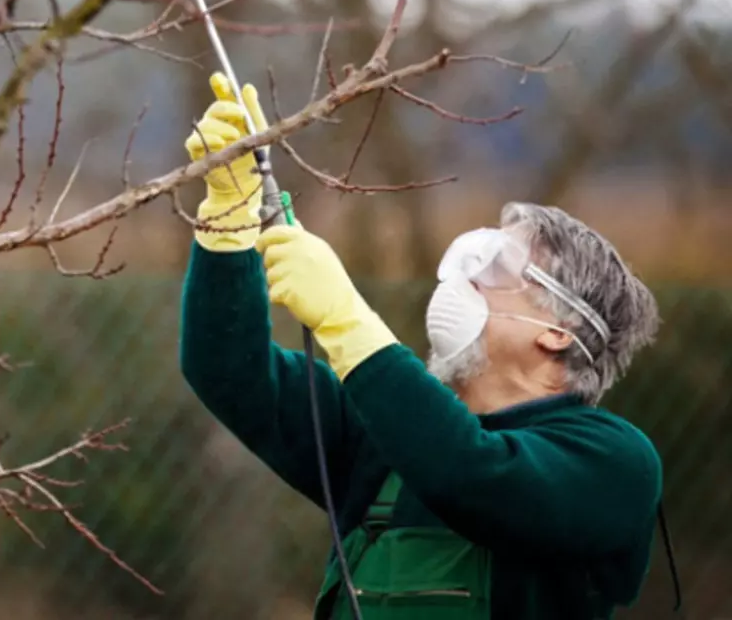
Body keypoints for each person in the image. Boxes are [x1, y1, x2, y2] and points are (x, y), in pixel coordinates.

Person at [179, 73, 665, 620]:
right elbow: (227, 370)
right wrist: (228, 217)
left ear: (559, 330)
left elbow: (471, 475)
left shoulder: (613, 460)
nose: (463, 281)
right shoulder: (380, 437)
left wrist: (346, 319)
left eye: (497, 268)